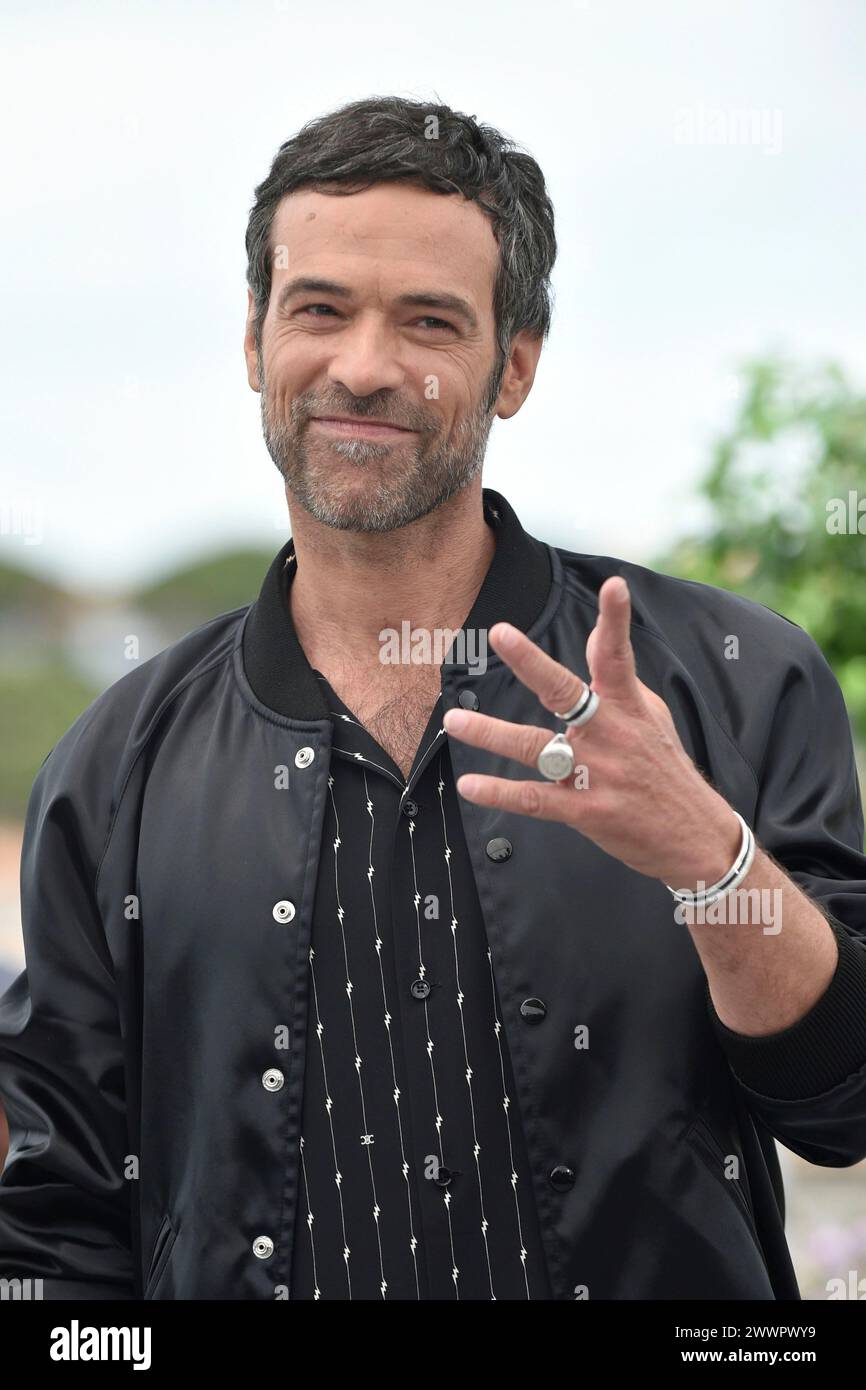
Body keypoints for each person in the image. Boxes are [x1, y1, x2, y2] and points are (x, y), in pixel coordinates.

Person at [1, 96, 865, 1302]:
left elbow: (843, 1104)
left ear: (511, 366)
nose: (363, 364)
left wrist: (710, 862)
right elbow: (58, 1223)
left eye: (427, 320)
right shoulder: (110, 767)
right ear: (254, 342)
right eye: (318, 310)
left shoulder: (728, 675)